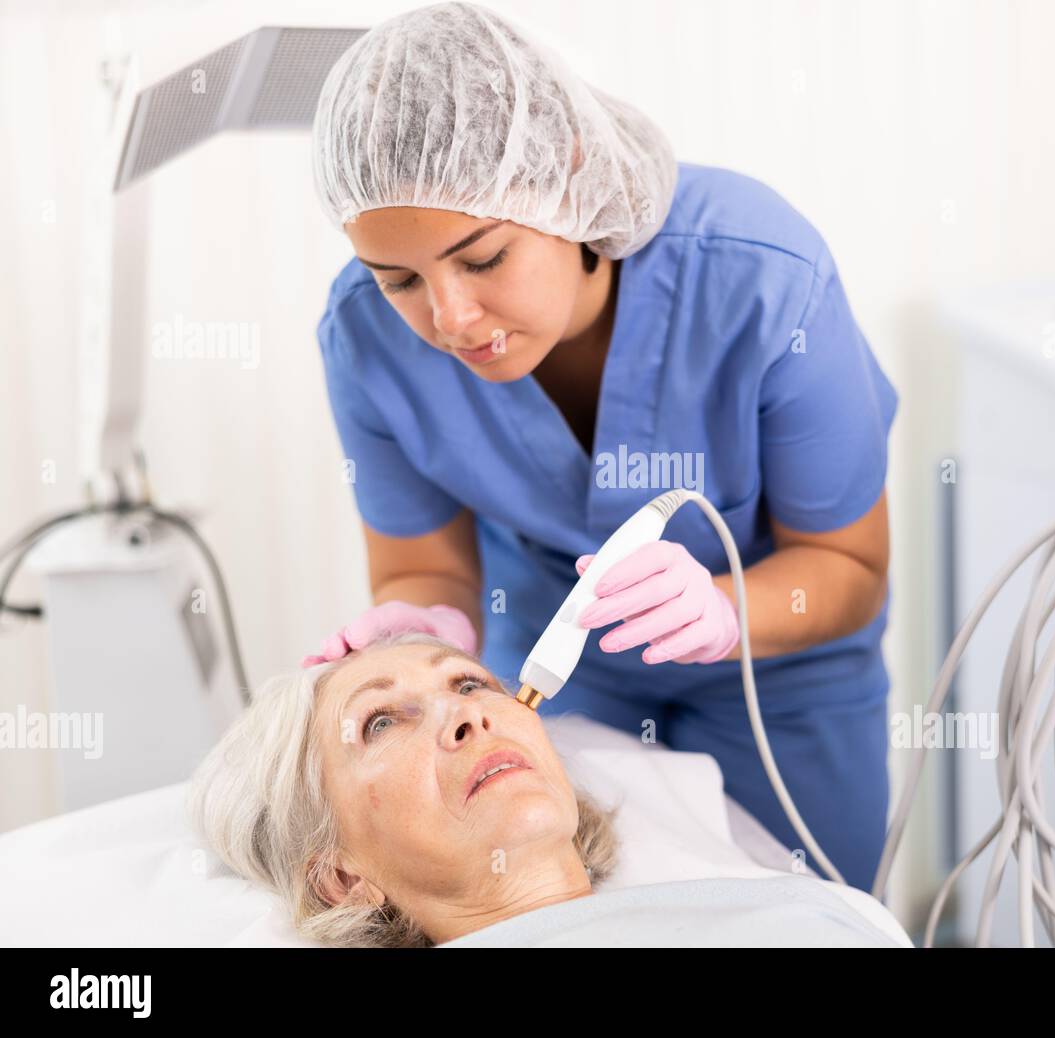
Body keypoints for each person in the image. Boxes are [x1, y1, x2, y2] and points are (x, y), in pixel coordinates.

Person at [305, 1, 898, 892]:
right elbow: (422, 572)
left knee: (808, 915)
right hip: (558, 664)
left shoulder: (763, 277)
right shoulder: (363, 339)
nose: (450, 319)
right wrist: (424, 622)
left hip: (780, 678)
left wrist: (731, 610)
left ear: (566, 178)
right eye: (400, 280)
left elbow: (847, 565)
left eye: (483, 259)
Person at [189, 631, 907, 948]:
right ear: (343, 877)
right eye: (380, 722)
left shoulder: (805, 913)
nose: (466, 712)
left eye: (470, 681)